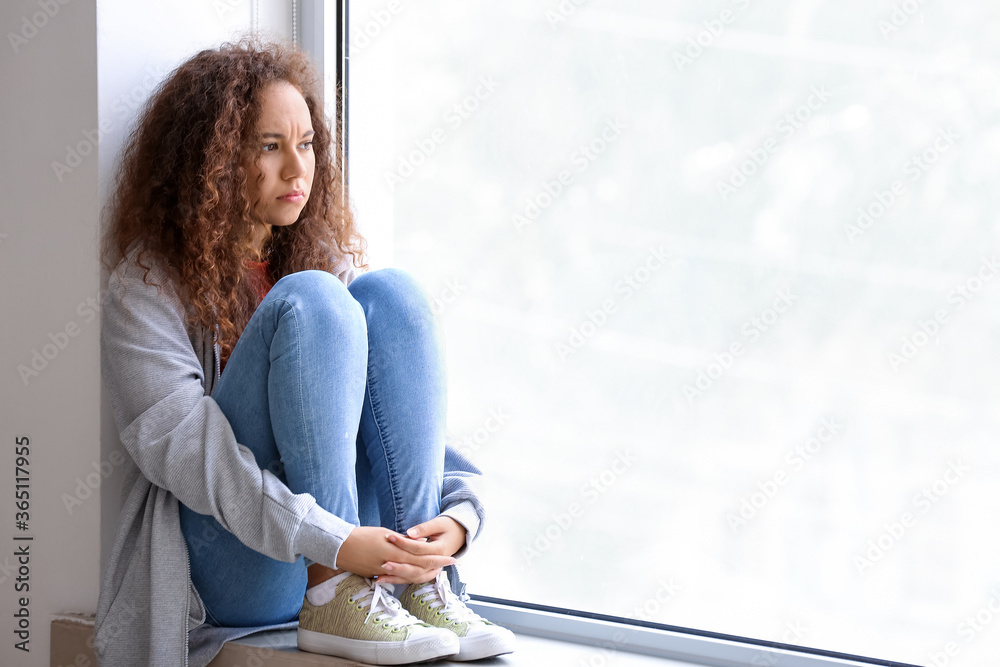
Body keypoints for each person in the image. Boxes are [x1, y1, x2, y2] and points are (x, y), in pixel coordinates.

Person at [94, 35, 515, 667]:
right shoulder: (146, 285)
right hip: (235, 571)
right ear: (210, 159)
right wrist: (335, 543)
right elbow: (195, 462)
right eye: (269, 146)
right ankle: (337, 594)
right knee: (316, 299)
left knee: (391, 295)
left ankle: (419, 587)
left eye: (307, 143)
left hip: (356, 552)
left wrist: (457, 518)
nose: (299, 168)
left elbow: (394, 436)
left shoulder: (321, 262)